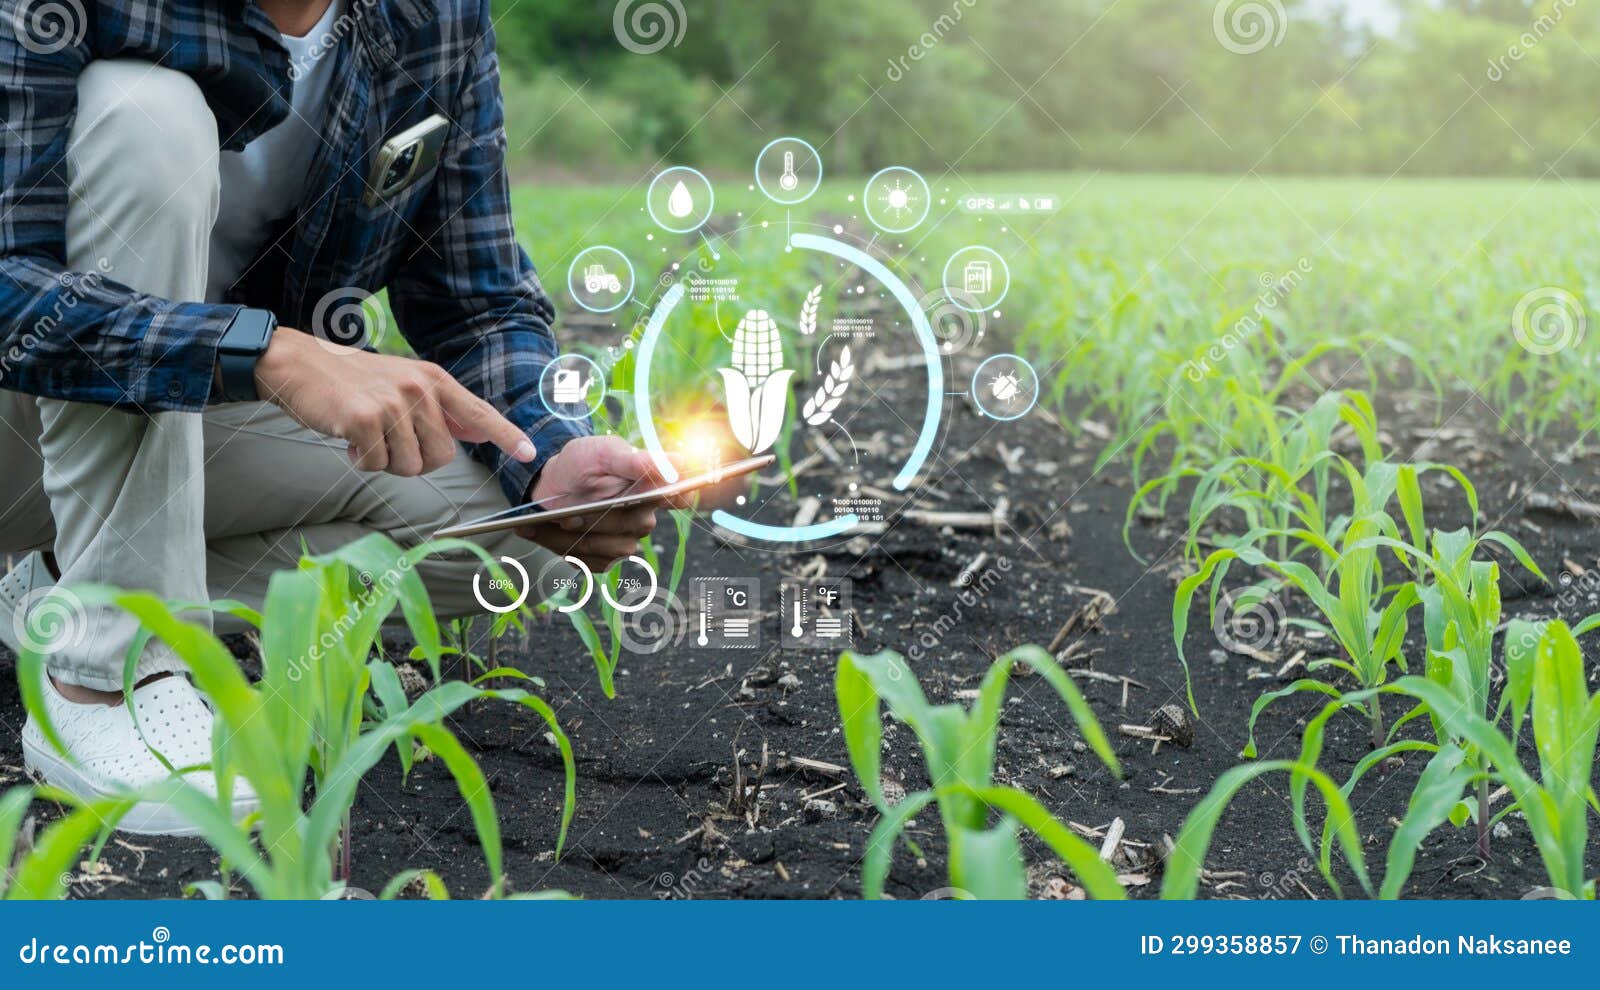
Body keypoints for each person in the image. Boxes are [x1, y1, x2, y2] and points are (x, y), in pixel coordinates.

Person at [0, 0, 661, 834]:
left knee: (518, 523)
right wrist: (263, 351)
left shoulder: (434, 17)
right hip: (17, 423)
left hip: (171, 437)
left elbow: (475, 304)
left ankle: (62, 588)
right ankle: (104, 671)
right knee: (146, 117)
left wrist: (552, 450)